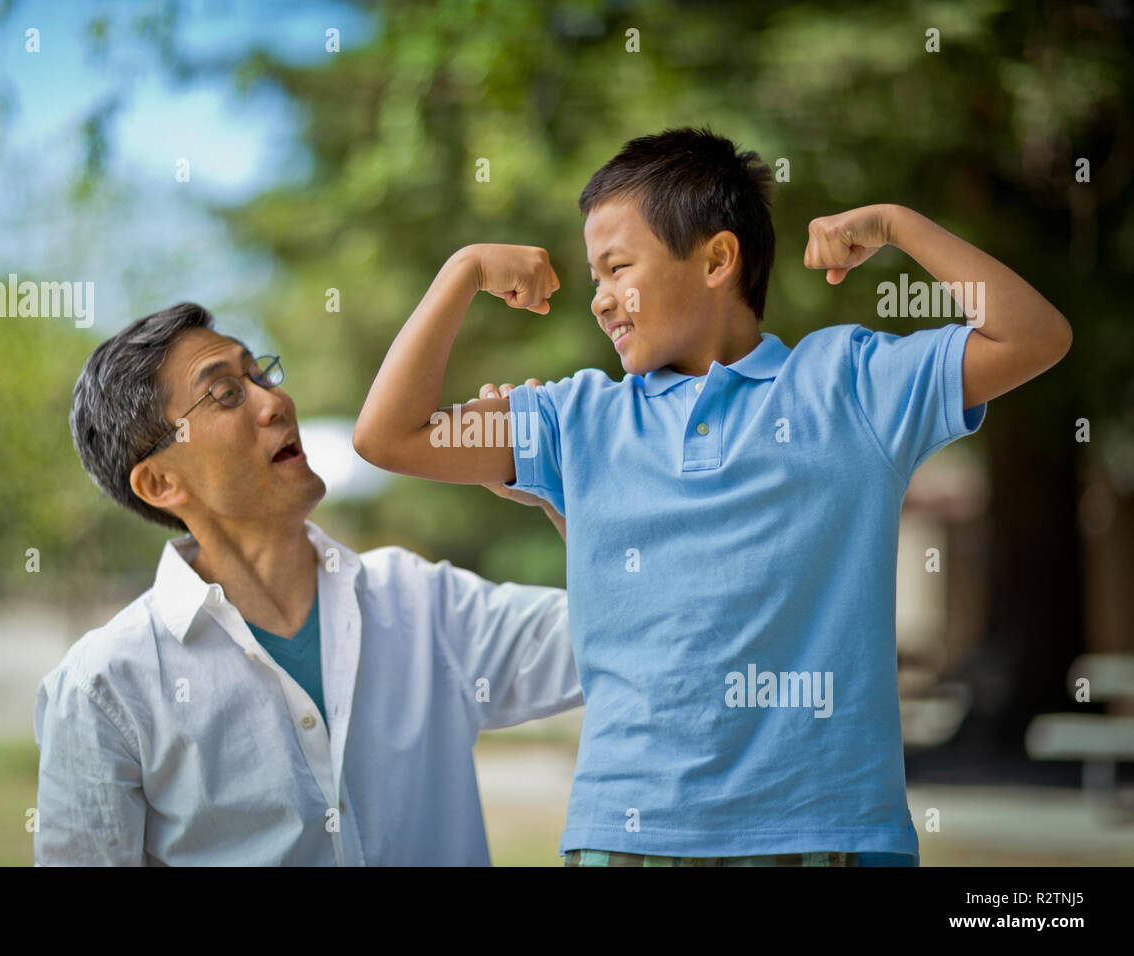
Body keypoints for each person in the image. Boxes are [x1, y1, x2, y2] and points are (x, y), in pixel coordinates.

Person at [352, 126, 1072, 866]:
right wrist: (464, 271)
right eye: (593, 277)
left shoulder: (851, 385)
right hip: (625, 838)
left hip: (831, 838)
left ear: (717, 260)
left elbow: (1033, 336)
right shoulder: (576, 420)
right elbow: (389, 436)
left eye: (615, 268)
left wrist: (898, 225)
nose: (599, 301)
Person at [34, 302, 580, 865]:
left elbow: (628, 636)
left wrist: (555, 489)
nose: (274, 403)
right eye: (225, 393)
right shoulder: (105, 688)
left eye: (259, 374)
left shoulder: (424, 603)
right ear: (161, 482)